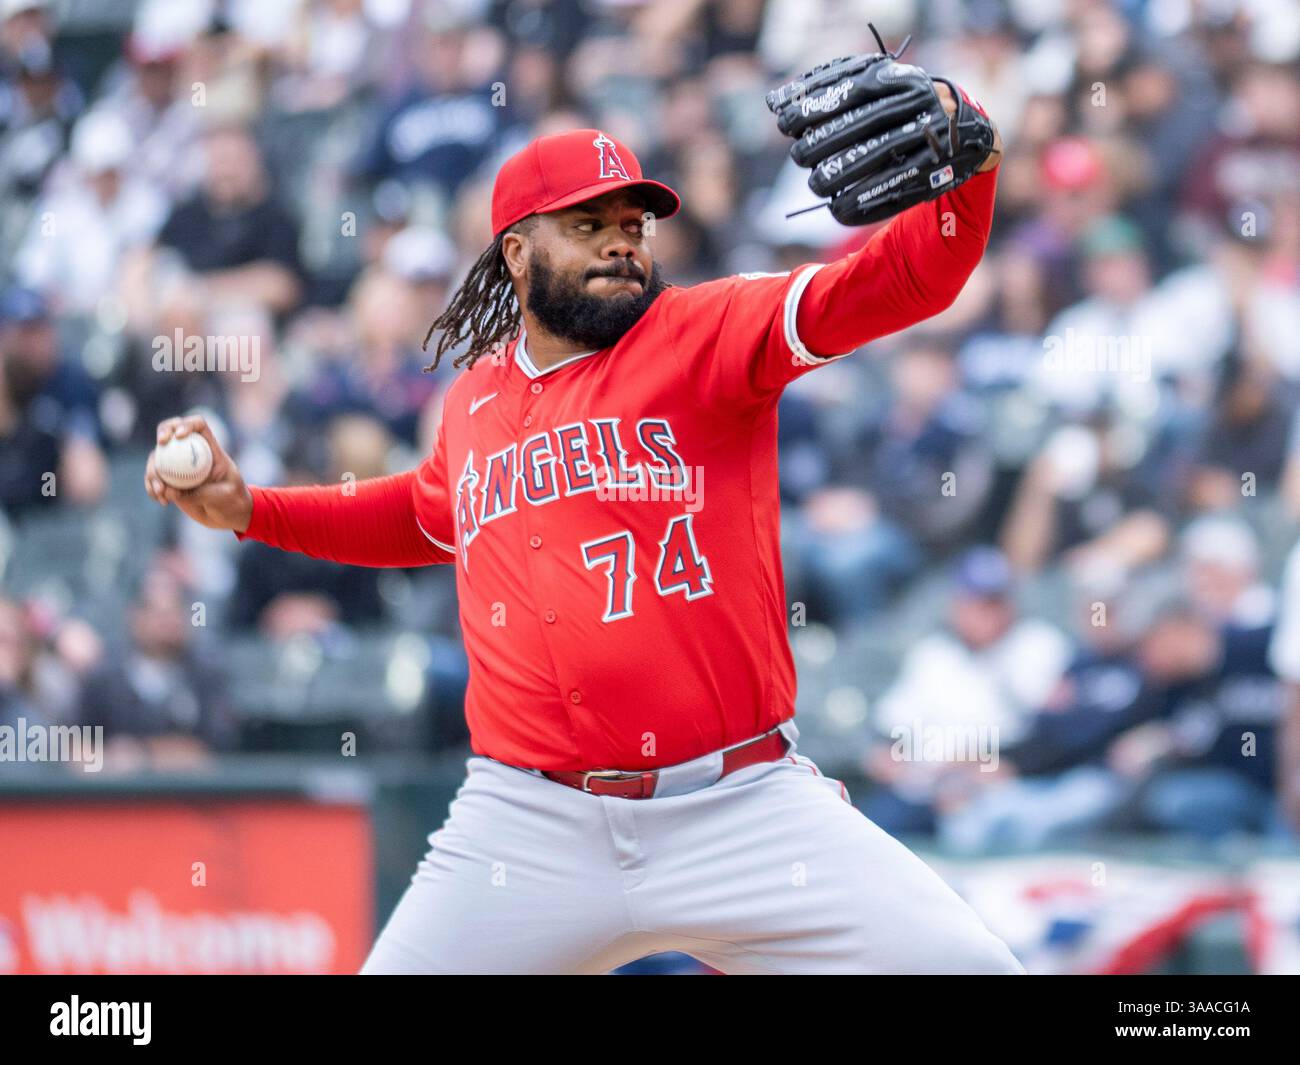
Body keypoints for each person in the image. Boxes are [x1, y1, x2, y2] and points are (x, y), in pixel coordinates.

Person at [144, 106, 1023, 973]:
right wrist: (251, 509)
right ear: (517, 252)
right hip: (529, 824)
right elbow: (422, 515)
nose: (621, 242)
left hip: (739, 805)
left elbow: (907, 280)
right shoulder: (476, 399)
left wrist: (970, 162)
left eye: (632, 224)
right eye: (588, 222)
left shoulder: (705, 334)